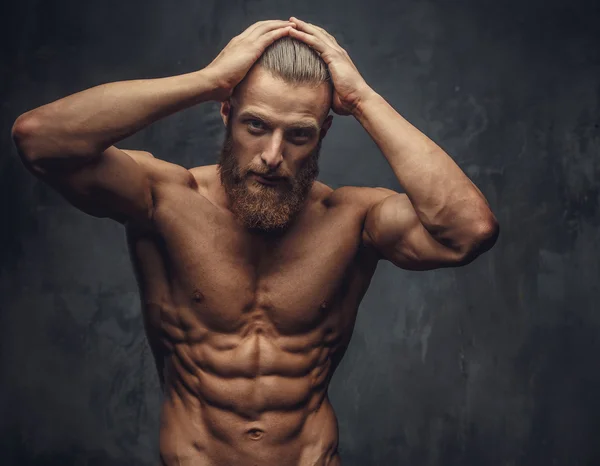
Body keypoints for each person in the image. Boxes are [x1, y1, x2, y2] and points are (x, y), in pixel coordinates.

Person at [11, 16, 499, 466]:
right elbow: (39, 140)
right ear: (227, 112)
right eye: (256, 125)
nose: (272, 155)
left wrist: (364, 100)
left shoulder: (353, 219)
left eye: (299, 135)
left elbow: (467, 231)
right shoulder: (164, 199)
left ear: (325, 131)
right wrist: (207, 80)